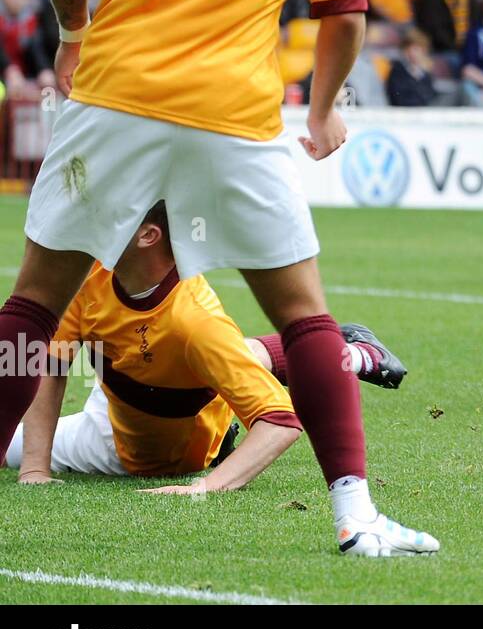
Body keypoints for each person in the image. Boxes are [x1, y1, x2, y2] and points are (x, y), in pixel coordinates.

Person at [3, 0, 438, 556]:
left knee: (34, 311)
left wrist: (73, 37)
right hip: (233, 112)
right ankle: (356, 517)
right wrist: (320, 111)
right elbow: (346, 12)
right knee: (308, 318)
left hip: (118, 93)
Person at [5, 203, 405, 487]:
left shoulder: (193, 321)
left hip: (126, 441)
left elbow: (281, 422)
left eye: (114, 209)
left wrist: (207, 488)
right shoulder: (91, 273)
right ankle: (348, 353)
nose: (96, 215)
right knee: (205, 356)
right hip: (128, 375)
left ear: (148, 235)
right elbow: (52, 364)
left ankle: (343, 356)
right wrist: (36, 472)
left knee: (9, 447)